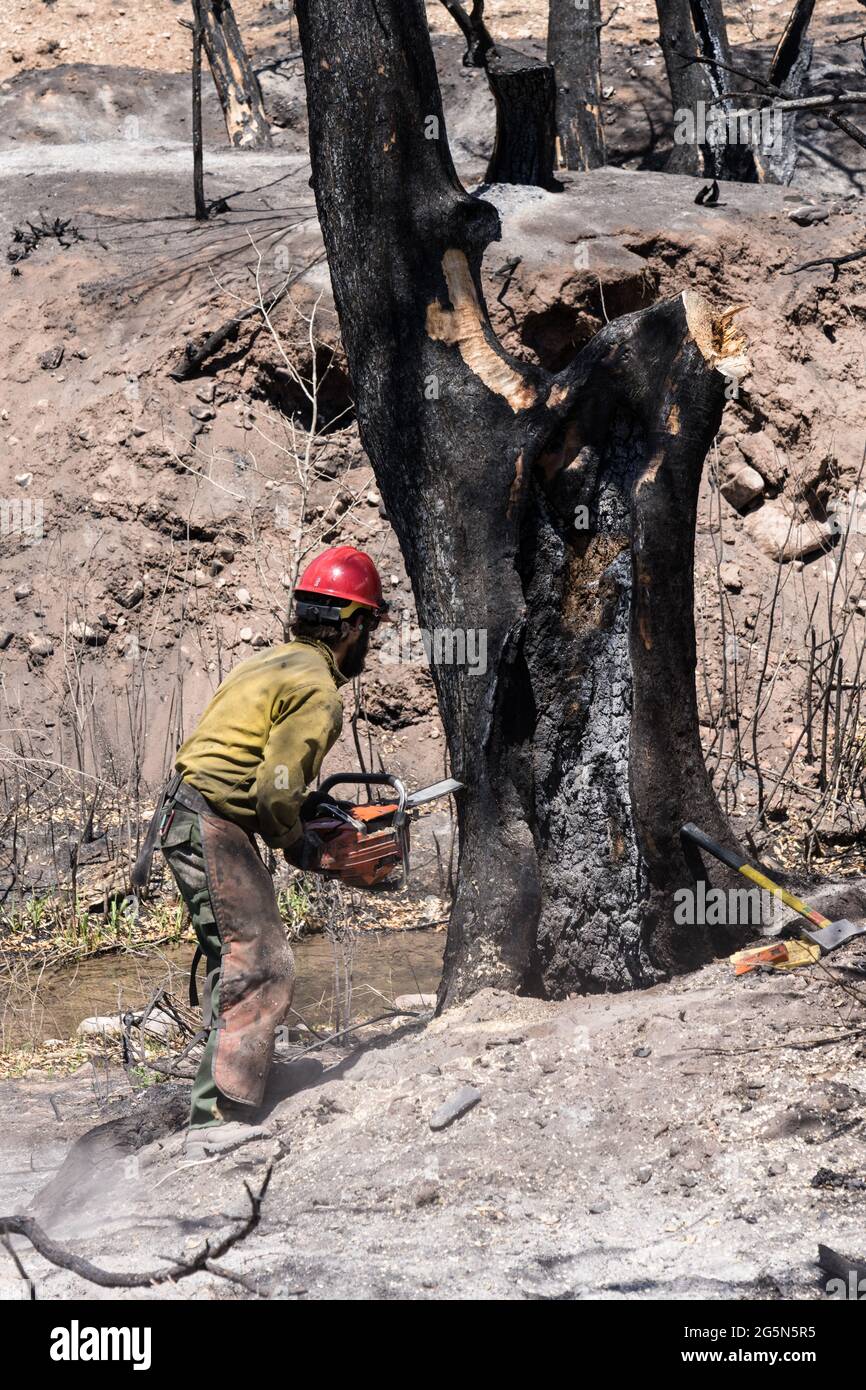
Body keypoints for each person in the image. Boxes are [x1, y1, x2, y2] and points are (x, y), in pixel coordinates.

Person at [150, 546, 386, 1156]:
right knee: (260, 962)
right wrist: (300, 845)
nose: (369, 642)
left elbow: (251, 767)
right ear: (354, 625)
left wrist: (302, 813)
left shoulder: (271, 663)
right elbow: (273, 788)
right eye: (370, 628)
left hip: (195, 811)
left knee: (239, 958)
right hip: (213, 822)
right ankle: (218, 1117)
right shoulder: (319, 691)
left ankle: (233, 1088)